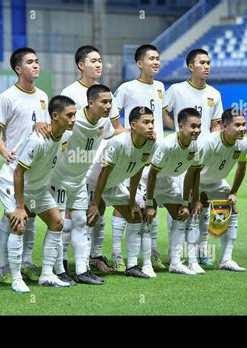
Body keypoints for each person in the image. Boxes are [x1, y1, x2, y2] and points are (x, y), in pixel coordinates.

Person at [0, 95, 76, 292]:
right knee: (19, 224)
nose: (74, 119)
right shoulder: (37, 141)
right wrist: (20, 206)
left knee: (57, 222)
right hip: (12, 183)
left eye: (75, 114)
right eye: (70, 115)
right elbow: (18, 172)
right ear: (56, 116)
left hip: (37, 186)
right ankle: (16, 278)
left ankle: (47, 275)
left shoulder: (65, 135)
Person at [50, 84, 123, 285]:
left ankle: (82, 271)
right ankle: (59, 270)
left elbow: (113, 135)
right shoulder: (74, 120)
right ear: (91, 103)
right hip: (60, 179)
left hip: (80, 179)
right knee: (60, 226)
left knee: (81, 223)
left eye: (110, 101)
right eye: (104, 102)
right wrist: (38, 124)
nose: (109, 106)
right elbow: (51, 130)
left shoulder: (105, 123)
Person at [59, 45, 122, 274]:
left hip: (98, 159)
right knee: (73, 213)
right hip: (75, 162)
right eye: (93, 60)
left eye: (100, 60)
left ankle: (94, 255)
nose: (99, 64)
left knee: (99, 205)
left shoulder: (106, 94)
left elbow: (114, 129)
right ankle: (63, 263)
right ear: (81, 65)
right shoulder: (70, 92)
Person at [111, 44, 174, 272]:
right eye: (151, 59)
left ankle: (152, 252)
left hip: (155, 151)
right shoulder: (127, 88)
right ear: (139, 63)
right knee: (124, 201)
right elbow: (112, 116)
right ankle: (117, 255)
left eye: (158, 58)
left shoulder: (160, 87)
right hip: (131, 152)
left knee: (151, 200)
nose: (156, 62)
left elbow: (164, 115)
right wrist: (125, 132)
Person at [0, 47, 51, 285]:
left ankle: (26, 263)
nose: (36, 65)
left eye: (37, 61)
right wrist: (5, 152)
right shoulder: (7, 97)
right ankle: (5, 267)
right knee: (13, 217)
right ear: (18, 69)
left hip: (35, 169)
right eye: (30, 62)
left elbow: (45, 129)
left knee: (32, 216)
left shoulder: (43, 96)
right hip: (15, 168)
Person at [164, 48, 223, 266]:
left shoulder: (214, 94)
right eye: (202, 63)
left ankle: (201, 251)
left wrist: (213, 144)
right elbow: (164, 111)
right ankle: (174, 252)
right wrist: (176, 130)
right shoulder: (177, 90)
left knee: (204, 204)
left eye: (209, 62)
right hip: (181, 155)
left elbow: (216, 124)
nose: (207, 66)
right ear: (191, 66)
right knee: (179, 203)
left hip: (204, 156)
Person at [87, 106, 157, 278]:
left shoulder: (151, 143)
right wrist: (95, 203)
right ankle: (83, 269)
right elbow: (103, 173)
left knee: (135, 216)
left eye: (152, 122)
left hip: (114, 184)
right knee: (90, 219)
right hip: (94, 183)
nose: (151, 126)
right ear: (133, 125)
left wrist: (132, 201)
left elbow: (137, 172)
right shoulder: (118, 142)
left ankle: (132, 266)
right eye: (146, 122)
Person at [144, 108, 204, 276]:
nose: (197, 130)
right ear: (181, 126)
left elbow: (191, 176)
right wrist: (149, 203)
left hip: (167, 180)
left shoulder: (195, 146)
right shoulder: (167, 145)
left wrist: (186, 203)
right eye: (193, 126)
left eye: (199, 126)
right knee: (147, 218)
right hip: (148, 180)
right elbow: (152, 174)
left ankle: (175, 263)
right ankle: (146, 264)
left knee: (180, 215)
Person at [191, 108, 247, 272]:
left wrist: (233, 192)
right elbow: (194, 171)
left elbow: (241, 168)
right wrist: (196, 198)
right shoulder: (208, 143)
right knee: (194, 214)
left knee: (232, 211)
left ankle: (226, 260)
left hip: (217, 182)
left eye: (244, 124)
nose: (242, 128)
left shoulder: (243, 144)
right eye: (237, 125)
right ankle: (192, 260)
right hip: (197, 180)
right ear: (224, 126)